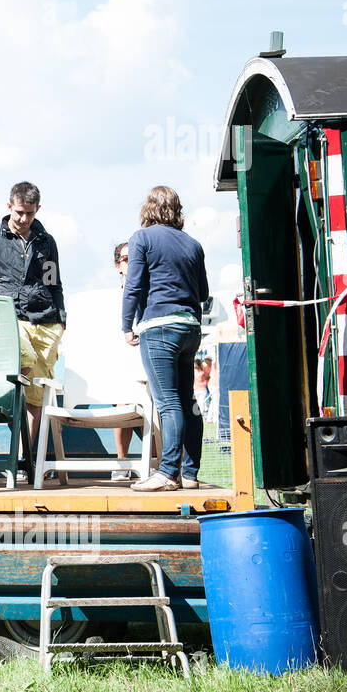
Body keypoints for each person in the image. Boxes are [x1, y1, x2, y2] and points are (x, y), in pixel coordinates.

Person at [0, 181, 66, 482]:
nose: (24, 219)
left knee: (34, 397)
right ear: (9, 207)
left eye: (30, 214)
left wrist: (61, 318)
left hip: (46, 321)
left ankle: (24, 461)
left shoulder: (46, 241)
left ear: (37, 210)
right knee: (24, 363)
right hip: (9, 319)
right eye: (20, 212)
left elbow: (53, 281)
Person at [121, 186, 208, 492]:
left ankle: (167, 473)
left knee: (168, 402)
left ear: (148, 209)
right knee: (187, 402)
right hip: (190, 328)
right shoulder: (193, 244)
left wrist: (126, 325)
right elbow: (204, 293)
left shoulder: (141, 238)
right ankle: (191, 473)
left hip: (158, 327)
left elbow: (133, 285)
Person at [110, 242, 137, 482]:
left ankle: (164, 466)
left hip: (145, 357)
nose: (131, 261)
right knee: (122, 400)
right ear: (118, 264)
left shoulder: (151, 290)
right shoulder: (110, 297)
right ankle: (122, 461)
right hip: (121, 362)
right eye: (127, 258)